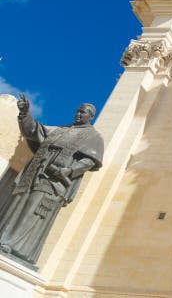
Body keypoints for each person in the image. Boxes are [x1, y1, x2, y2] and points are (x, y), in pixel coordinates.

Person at [0, 94, 103, 267]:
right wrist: (25, 113)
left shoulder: (93, 137)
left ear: (90, 117)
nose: (78, 115)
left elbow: (89, 161)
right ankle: (4, 238)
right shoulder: (61, 129)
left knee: (33, 210)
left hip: (53, 182)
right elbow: (34, 131)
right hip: (34, 173)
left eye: (83, 113)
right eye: (78, 111)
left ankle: (14, 246)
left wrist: (68, 170)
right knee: (18, 205)